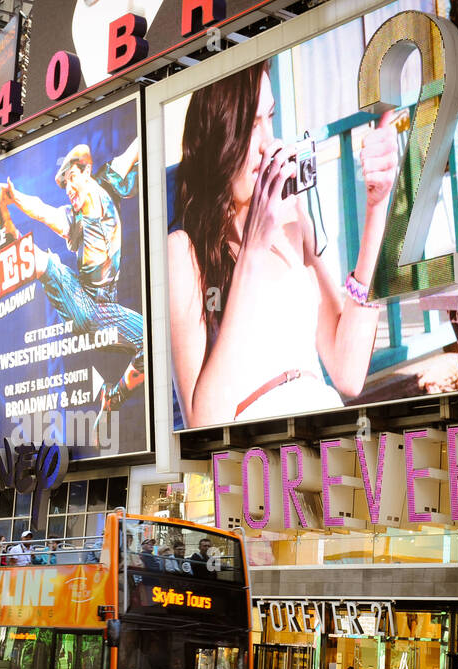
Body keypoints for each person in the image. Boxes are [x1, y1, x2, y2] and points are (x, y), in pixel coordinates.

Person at [166, 61, 397, 427]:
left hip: (326, 428)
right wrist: (252, 254)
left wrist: (377, 206)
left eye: (269, 117)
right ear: (220, 137)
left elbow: (349, 370)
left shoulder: (292, 218)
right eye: (250, 126)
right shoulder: (185, 251)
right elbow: (203, 421)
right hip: (261, 455)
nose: (267, 144)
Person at [0, 138, 146, 415]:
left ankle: (114, 396)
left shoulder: (109, 182)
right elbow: (43, 211)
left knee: (150, 340)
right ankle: (11, 236)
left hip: (107, 308)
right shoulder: (73, 222)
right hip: (84, 305)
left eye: (72, 179)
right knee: (47, 264)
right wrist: (14, 198)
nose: (69, 190)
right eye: (65, 186)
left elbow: (135, 147)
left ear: (87, 173)